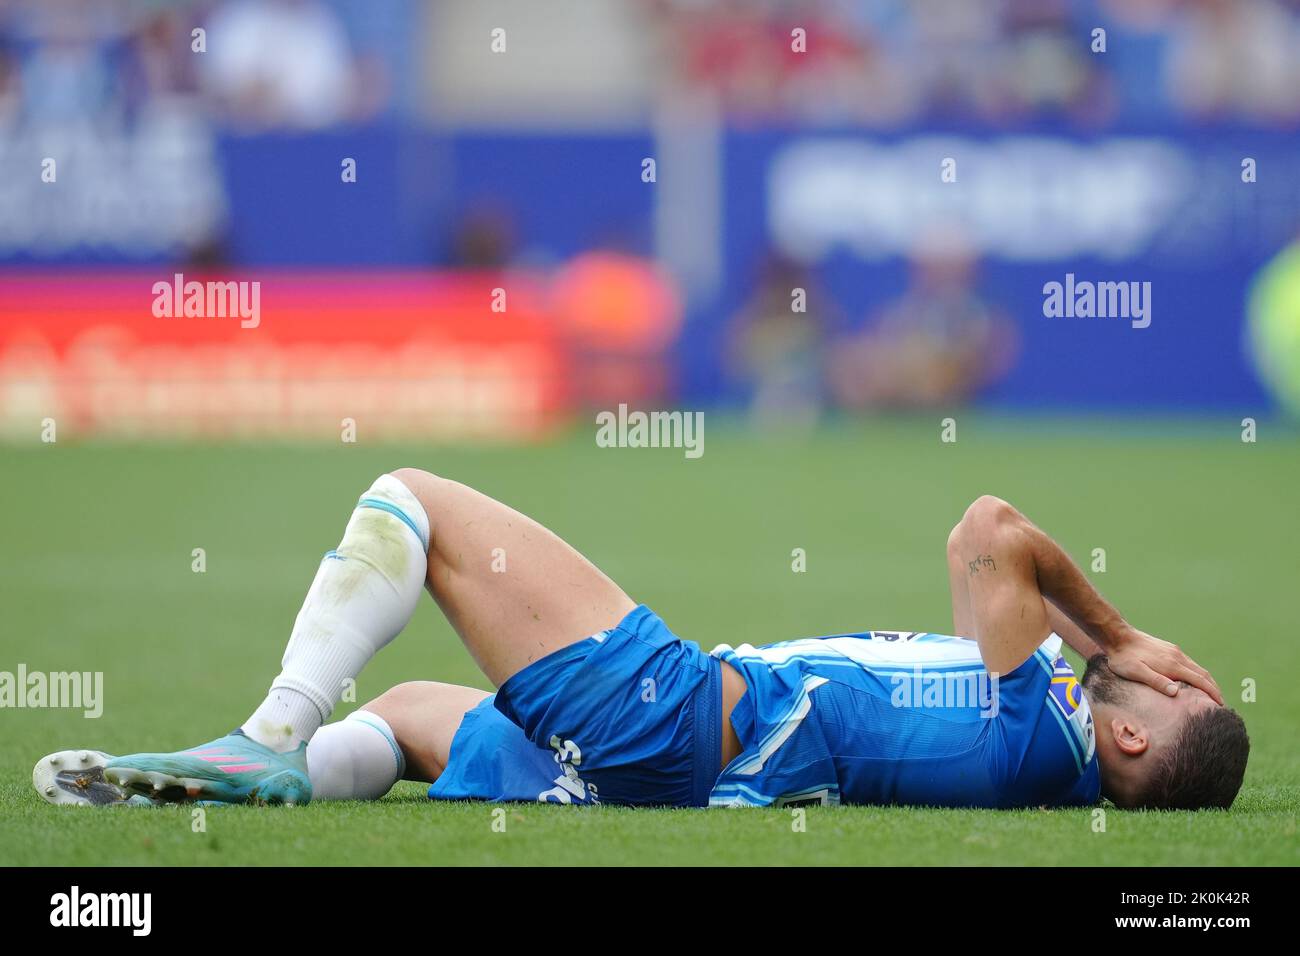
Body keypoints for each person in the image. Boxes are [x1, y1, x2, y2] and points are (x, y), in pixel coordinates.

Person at [35, 471, 1246, 811]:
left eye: (1165, 685)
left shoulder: (1041, 729)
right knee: (410, 707)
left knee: (412, 501)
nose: (1155, 664)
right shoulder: (1017, 718)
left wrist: (1118, 628)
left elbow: (988, 527)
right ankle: (295, 778)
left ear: (1133, 728)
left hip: (677, 709)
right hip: (686, 769)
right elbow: (970, 609)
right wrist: (1106, 649)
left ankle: (263, 737)